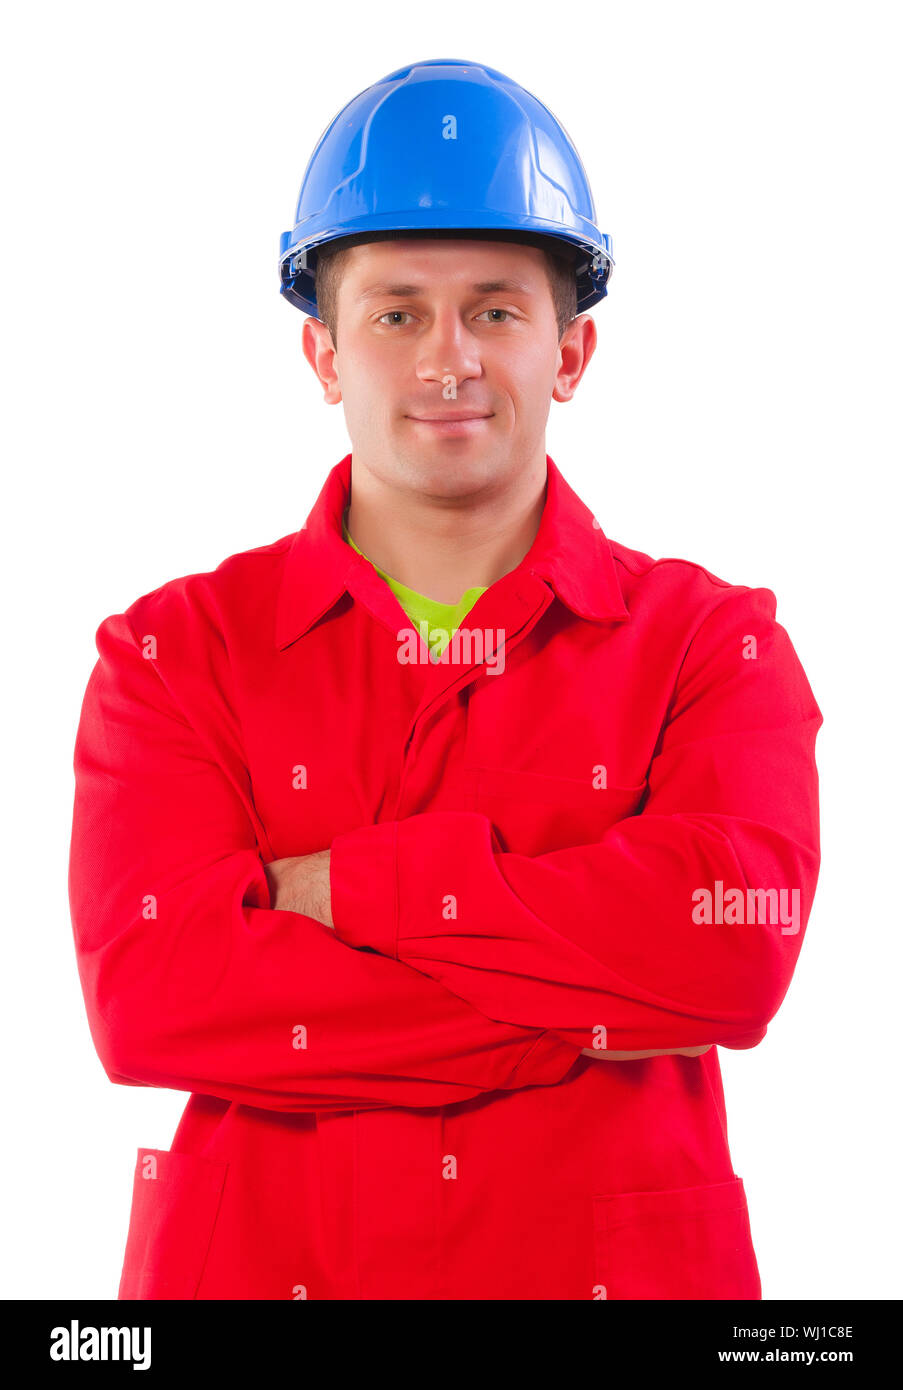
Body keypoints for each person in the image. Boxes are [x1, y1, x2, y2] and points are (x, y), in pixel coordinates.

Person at [68, 58, 823, 1300]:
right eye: (398, 312)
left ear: (571, 351)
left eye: (498, 310)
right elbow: (153, 1001)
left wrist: (337, 892)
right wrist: (577, 1014)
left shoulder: (708, 644)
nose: (448, 359)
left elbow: (726, 958)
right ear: (323, 352)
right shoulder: (174, 654)